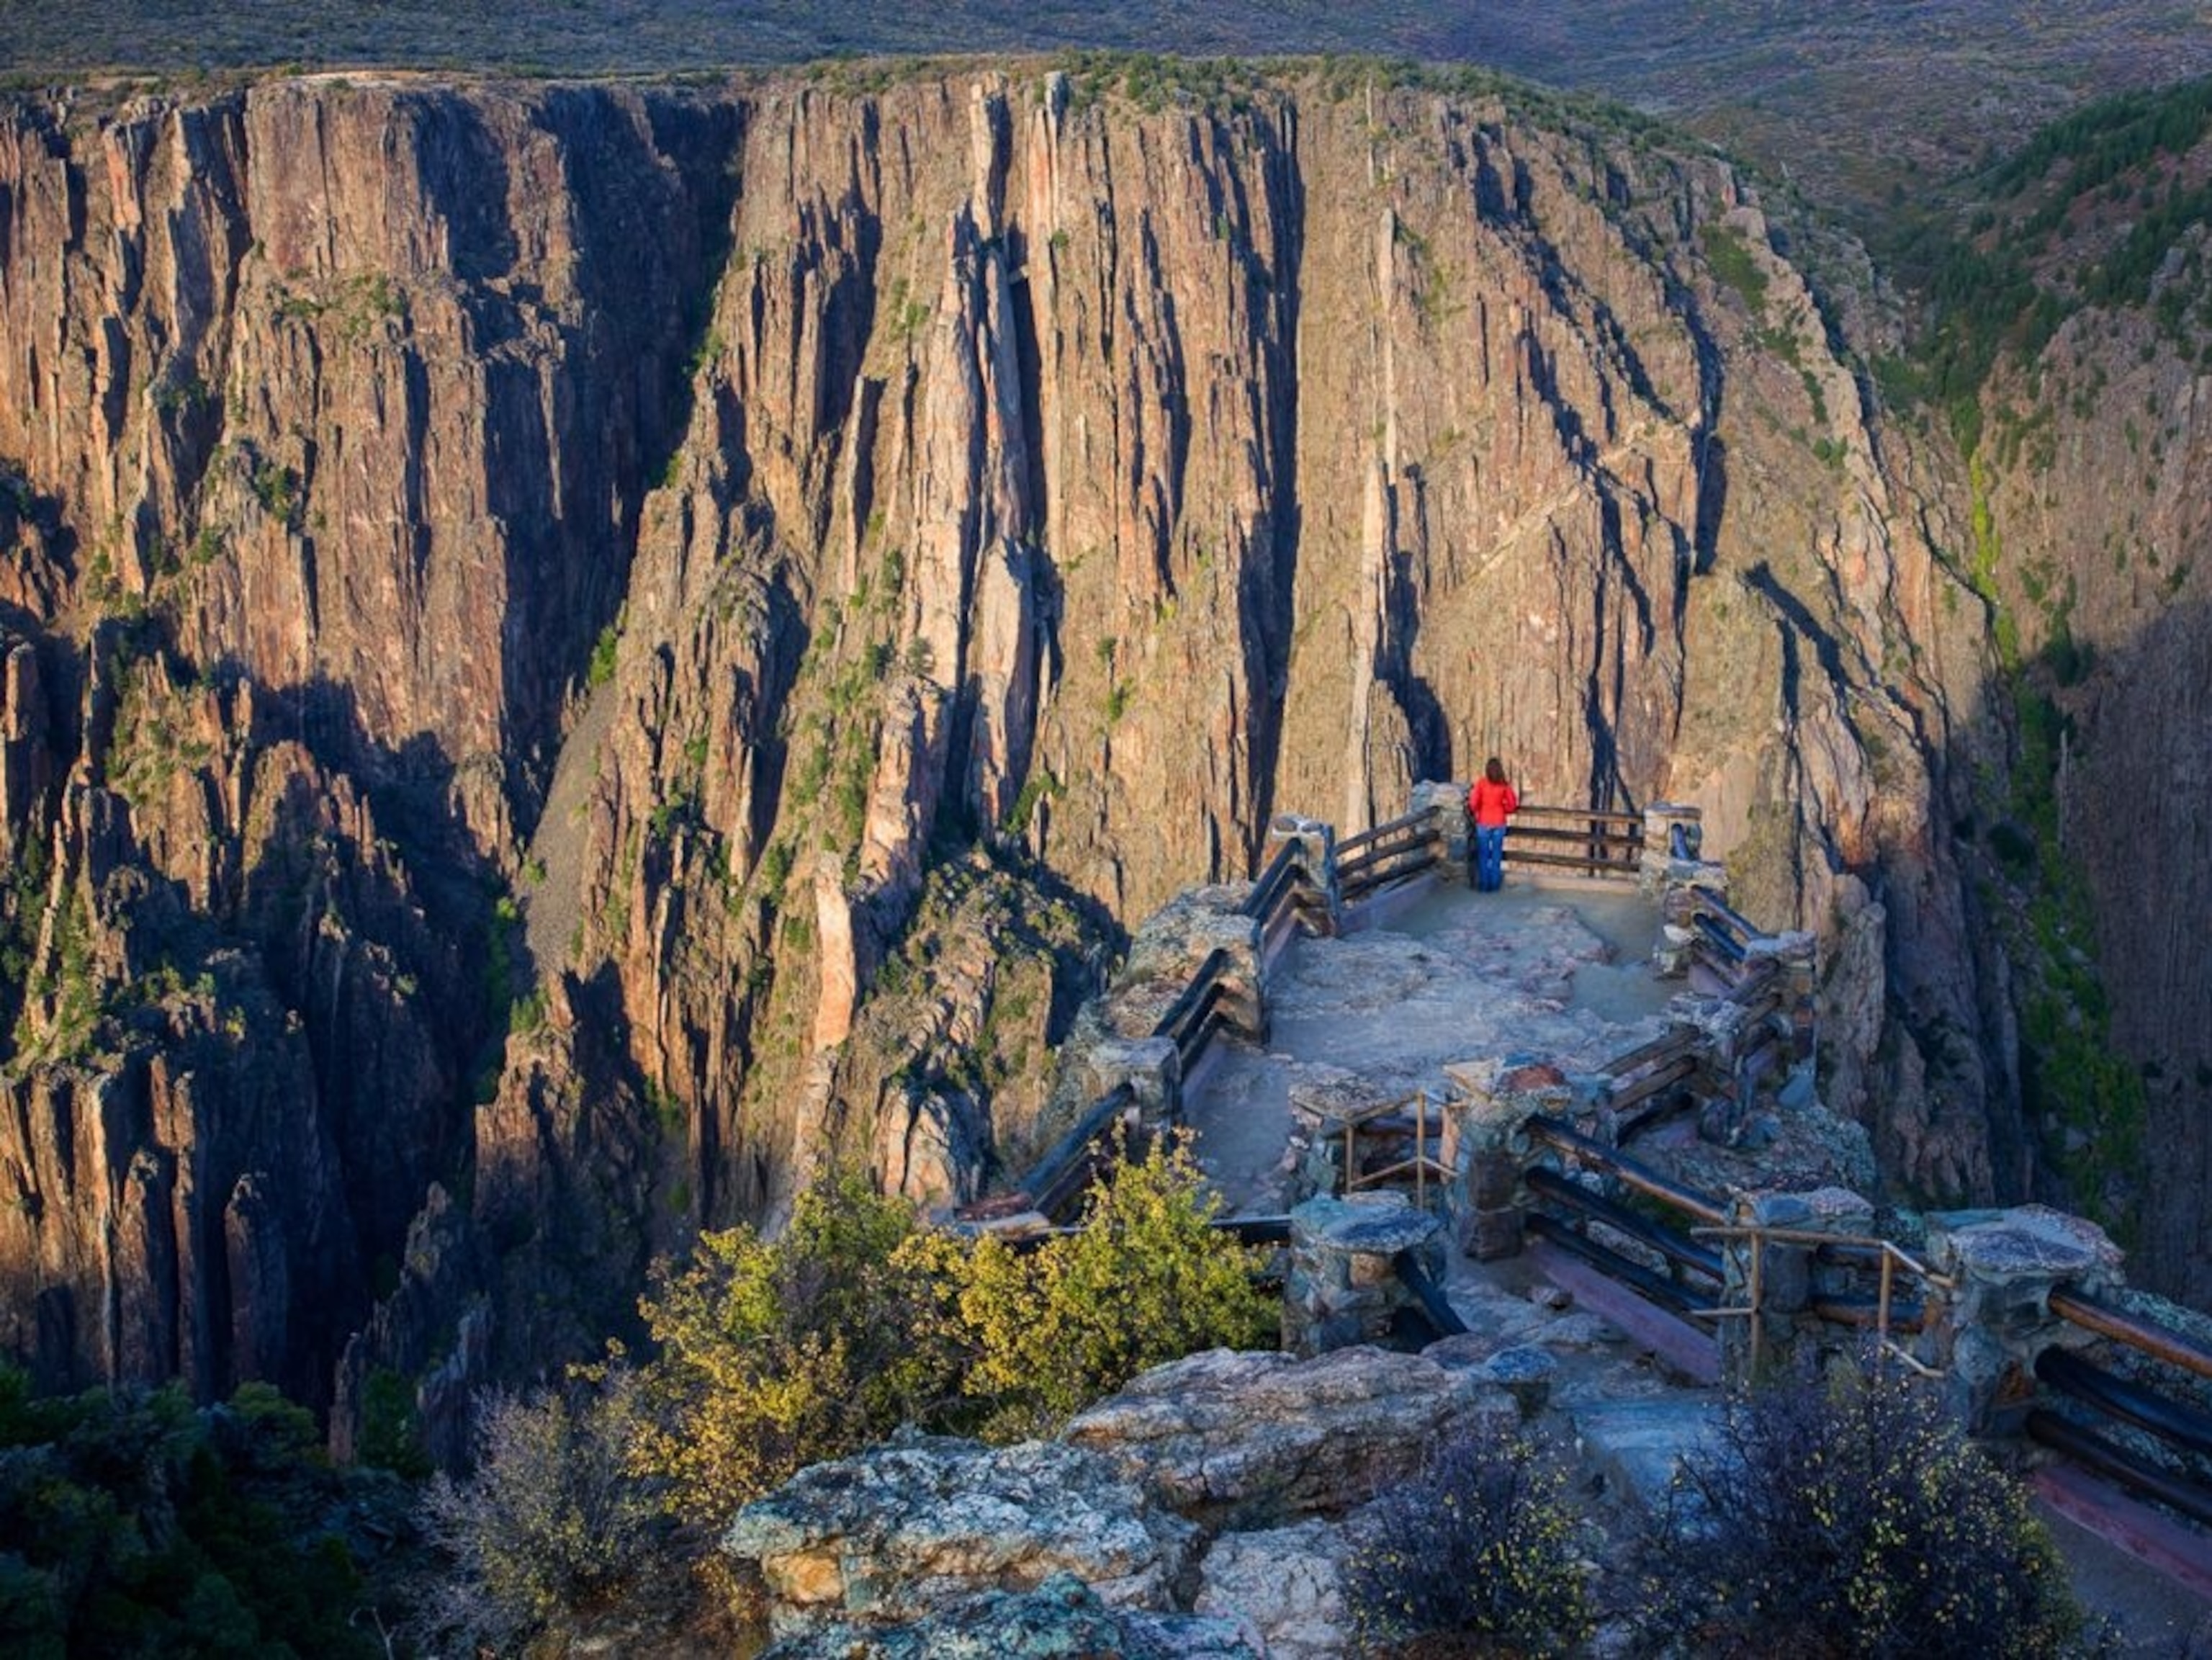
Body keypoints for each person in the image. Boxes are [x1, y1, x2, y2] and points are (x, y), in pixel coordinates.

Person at [1466, 757, 1518, 892]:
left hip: (1483, 822)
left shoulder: (1481, 784)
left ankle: (1484, 885)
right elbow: (1512, 804)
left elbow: (1473, 803)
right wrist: (1504, 809)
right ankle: (1495, 885)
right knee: (1496, 855)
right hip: (1499, 822)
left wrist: (1478, 810)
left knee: (1483, 855)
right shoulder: (1504, 785)